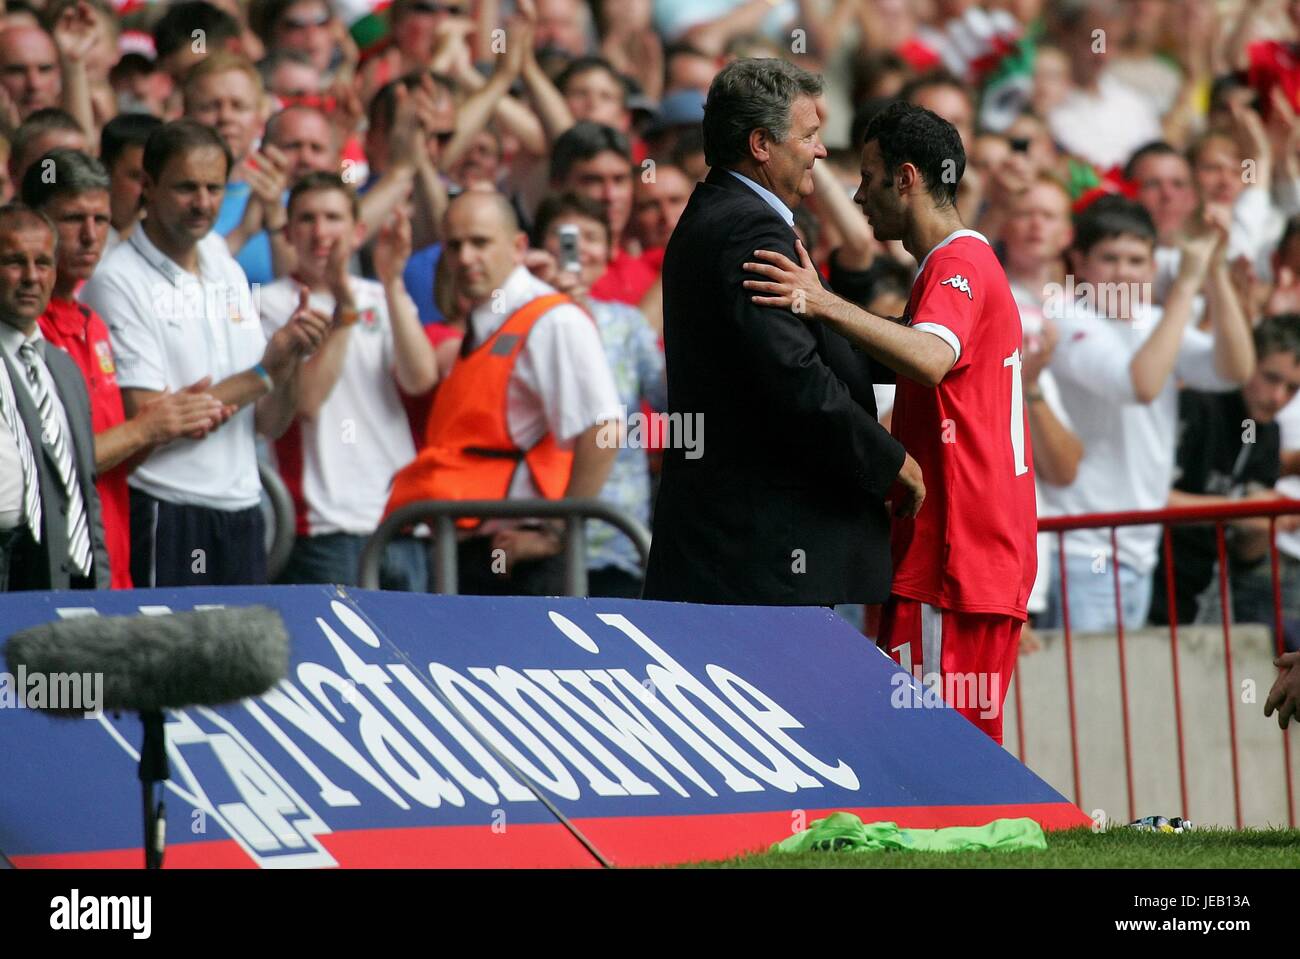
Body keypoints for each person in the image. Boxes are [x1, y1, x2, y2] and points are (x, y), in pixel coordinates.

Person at [740, 98, 1036, 744]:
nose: (859, 192)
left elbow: (929, 359)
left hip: (953, 558)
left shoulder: (957, 263)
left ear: (905, 178)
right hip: (974, 558)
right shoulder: (963, 265)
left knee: (929, 757)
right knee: (954, 759)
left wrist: (821, 304)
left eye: (869, 178)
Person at [643, 57, 914, 608]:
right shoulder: (748, 227)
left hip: (746, 554)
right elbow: (794, 377)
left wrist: (923, 343)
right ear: (762, 143)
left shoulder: (722, 214)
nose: (819, 149)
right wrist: (889, 462)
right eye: (810, 135)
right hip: (761, 559)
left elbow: (812, 344)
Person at [80, 119, 330, 587]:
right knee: (167, 658)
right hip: (164, 507)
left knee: (243, 660)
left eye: (214, 187)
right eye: (185, 188)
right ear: (148, 188)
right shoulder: (116, 280)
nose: (202, 202)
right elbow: (150, 420)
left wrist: (290, 358)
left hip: (242, 506)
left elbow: (268, 422)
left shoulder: (221, 260)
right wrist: (265, 368)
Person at [383, 189, 620, 595]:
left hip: (522, 559)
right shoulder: (485, 323)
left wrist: (556, 532)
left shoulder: (554, 319)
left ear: (518, 246)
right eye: (454, 245)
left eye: (480, 242)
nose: (465, 257)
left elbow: (605, 430)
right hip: (469, 549)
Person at [1040, 196, 1255, 631]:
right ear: (1078, 262)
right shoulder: (1063, 318)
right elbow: (1138, 385)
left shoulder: (1155, 320)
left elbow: (1235, 370)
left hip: (1141, 546)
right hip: (1083, 550)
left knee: (1114, 698)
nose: (1124, 272)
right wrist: (1186, 287)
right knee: (1090, 696)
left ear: (1153, 266)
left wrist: (1213, 273)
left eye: (1137, 260)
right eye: (1110, 258)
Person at [24, 148, 227, 589]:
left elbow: (111, 461)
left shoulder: (91, 322)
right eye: (73, 218)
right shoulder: (23, 334)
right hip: (54, 574)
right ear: (35, 225)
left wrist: (176, 419)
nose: (90, 235)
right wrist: (147, 429)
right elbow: (47, 465)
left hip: (113, 565)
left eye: (101, 219)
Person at [260, 172, 438, 589]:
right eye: (306, 219)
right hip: (322, 525)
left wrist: (392, 282)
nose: (320, 232)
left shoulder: (382, 295)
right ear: (288, 232)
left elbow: (420, 378)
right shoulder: (269, 304)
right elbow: (304, 401)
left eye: (333, 218)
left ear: (358, 231)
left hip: (401, 521)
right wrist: (344, 314)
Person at [532, 190, 666, 597]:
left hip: (616, 540)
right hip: (528, 532)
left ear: (610, 252)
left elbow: (670, 401)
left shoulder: (626, 324)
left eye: (591, 237)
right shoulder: (516, 316)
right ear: (539, 247)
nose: (580, 249)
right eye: (565, 236)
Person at [1151, 314, 1300, 626]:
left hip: (1203, 595)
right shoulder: (1197, 404)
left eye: (1292, 388)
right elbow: (1153, 498)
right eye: (1271, 378)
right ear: (1248, 361)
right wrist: (1242, 509)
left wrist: (1266, 523)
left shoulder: (1268, 432)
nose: (1278, 398)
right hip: (1151, 581)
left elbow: (1246, 553)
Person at [0, 203, 109, 590]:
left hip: (65, 576)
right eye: (14, 262)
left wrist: (101, 587)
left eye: (43, 263)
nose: (31, 277)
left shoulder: (64, 369)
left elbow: (86, 489)